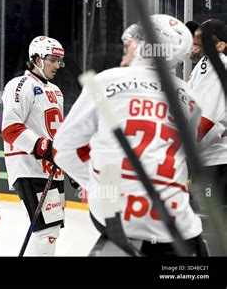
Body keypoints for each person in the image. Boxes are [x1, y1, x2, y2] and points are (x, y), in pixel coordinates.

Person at [53, 14, 209, 256]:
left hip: (120, 221)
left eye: (132, 41)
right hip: (180, 229)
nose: (126, 46)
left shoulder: (106, 81)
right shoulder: (190, 97)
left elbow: (63, 150)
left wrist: (103, 185)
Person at [1, 36, 66, 256]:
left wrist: (68, 162)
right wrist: (45, 148)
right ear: (36, 58)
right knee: (46, 231)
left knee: (51, 230)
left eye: (60, 61)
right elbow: (10, 128)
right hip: (29, 168)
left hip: (52, 170)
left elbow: (57, 132)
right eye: (52, 59)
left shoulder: (56, 91)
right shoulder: (20, 85)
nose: (57, 65)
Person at [187, 19, 227, 252]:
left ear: (220, 46)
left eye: (203, 35)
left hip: (219, 164)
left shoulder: (218, 64)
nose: (195, 37)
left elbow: (206, 121)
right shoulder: (203, 65)